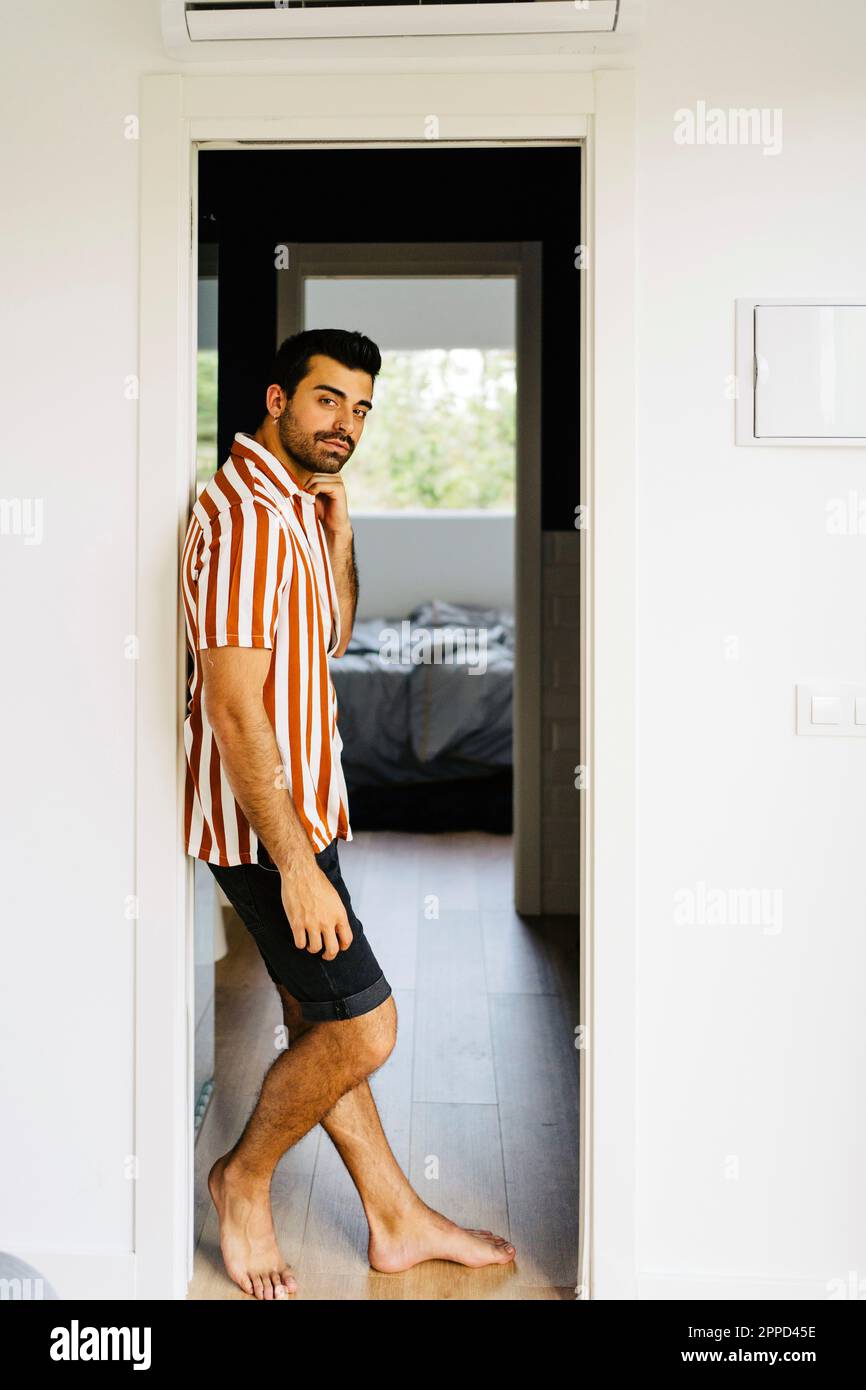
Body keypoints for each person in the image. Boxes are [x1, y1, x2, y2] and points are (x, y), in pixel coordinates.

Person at [180, 328, 517, 1299]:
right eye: (328, 400)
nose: (348, 424)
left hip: (304, 811)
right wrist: (293, 864)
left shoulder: (294, 506)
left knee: (318, 1018)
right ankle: (240, 1179)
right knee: (364, 1028)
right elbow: (235, 707)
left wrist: (339, 534)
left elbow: (329, 632)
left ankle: (394, 1217)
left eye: (362, 408)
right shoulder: (242, 513)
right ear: (277, 398)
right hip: (263, 827)